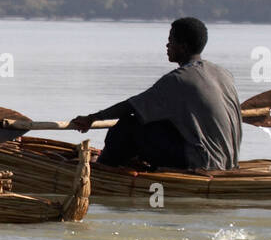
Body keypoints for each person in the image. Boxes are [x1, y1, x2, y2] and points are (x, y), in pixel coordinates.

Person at [70, 17, 242, 171]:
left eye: (171, 41)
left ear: (183, 47)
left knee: (128, 124)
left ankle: (103, 167)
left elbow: (131, 107)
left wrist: (91, 118)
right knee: (156, 120)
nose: (167, 46)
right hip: (229, 161)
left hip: (201, 163)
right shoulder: (224, 74)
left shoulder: (178, 80)